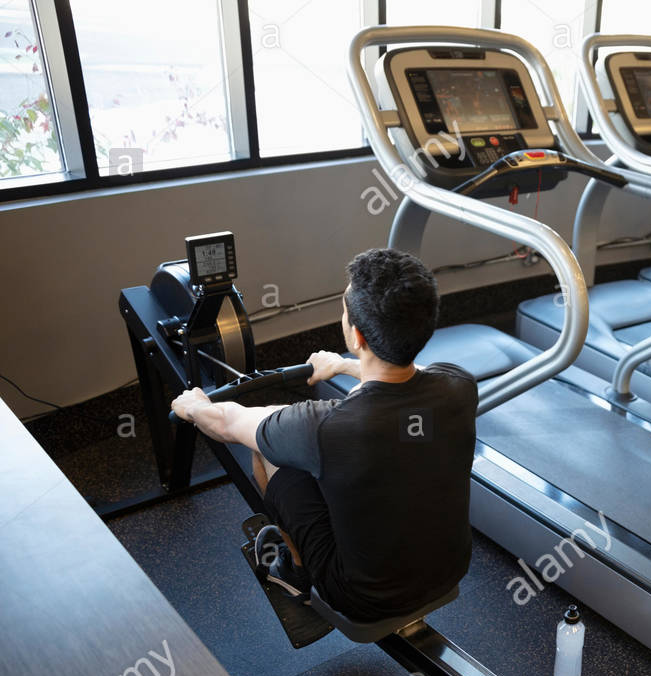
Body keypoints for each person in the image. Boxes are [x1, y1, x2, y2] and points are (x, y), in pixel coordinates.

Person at [171, 248, 477, 622]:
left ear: (357, 335)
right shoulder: (460, 385)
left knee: (268, 447)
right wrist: (345, 365)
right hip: (451, 571)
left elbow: (225, 424)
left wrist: (194, 406)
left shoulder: (322, 426)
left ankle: (296, 573)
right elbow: (412, 374)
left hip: (363, 599)